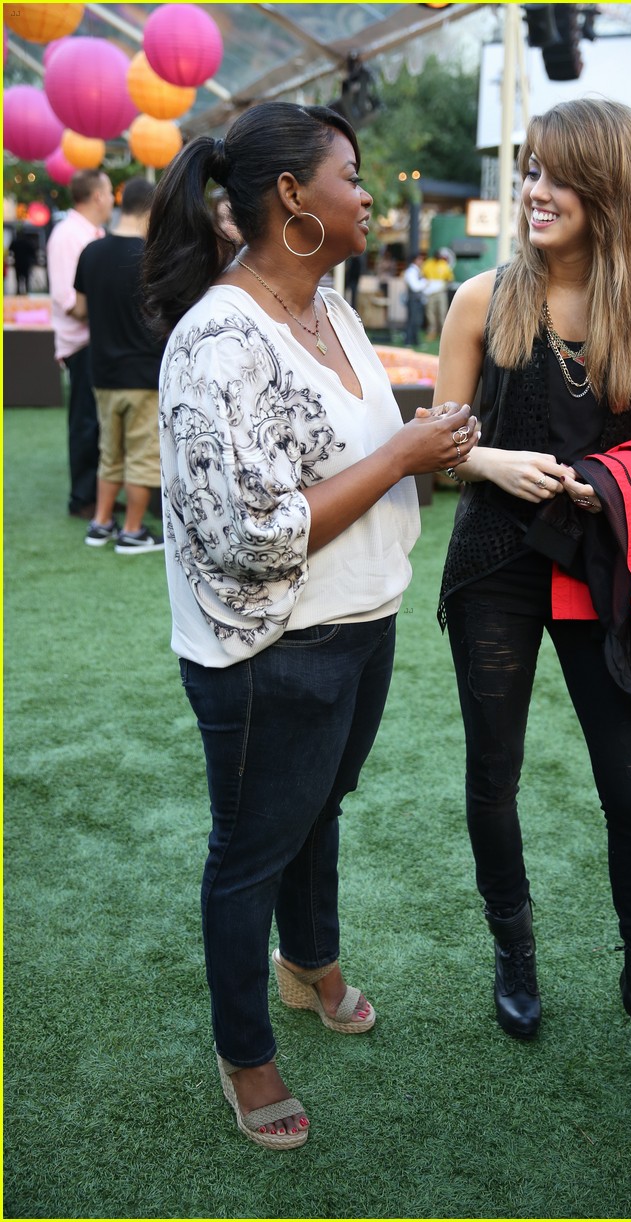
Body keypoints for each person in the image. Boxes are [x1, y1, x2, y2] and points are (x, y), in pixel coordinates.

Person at [142, 101, 477, 1150]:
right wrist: (402, 458)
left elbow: (350, 449)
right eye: (353, 173)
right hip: (268, 651)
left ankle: (309, 963)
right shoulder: (218, 340)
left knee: (318, 813)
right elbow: (249, 536)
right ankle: (245, 1051)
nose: (370, 193)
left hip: (361, 627)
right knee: (250, 851)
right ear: (294, 198)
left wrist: (425, 438)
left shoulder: (327, 305)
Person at [433, 99, 631, 1096]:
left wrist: (612, 481)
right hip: (496, 559)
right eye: (530, 171)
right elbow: (439, 445)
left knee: (630, 790)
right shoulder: (479, 299)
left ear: (606, 188)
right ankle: (515, 952)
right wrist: (498, 461)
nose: (535, 191)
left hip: (610, 566)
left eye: (556, 174)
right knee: (490, 772)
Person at [72, 177, 165, 554]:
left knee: (110, 454)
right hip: (143, 375)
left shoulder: (90, 252)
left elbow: (79, 309)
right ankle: (131, 531)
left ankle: (101, 523)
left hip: (103, 372)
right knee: (143, 456)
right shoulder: (151, 258)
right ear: (150, 211)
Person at [46, 168, 115, 518]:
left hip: (96, 339)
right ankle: (83, 498)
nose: (112, 198)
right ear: (98, 195)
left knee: (100, 422)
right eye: (109, 191)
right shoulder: (67, 235)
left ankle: (98, 494)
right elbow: (67, 300)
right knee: (86, 422)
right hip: (81, 344)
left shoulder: (90, 232)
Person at [421, 248, 454, 339]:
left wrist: (444, 286)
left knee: (442, 311)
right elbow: (423, 276)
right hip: (430, 292)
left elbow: (449, 278)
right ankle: (432, 331)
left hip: (440, 292)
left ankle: (443, 333)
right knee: (430, 312)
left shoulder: (444, 265)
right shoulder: (428, 263)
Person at [403, 251, 427, 345]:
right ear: (415, 260)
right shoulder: (411, 272)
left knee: (416, 321)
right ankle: (408, 342)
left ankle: (414, 341)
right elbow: (415, 287)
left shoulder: (416, 271)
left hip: (417, 299)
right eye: (420, 259)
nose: (421, 261)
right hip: (413, 299)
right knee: (412, 321)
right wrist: (424, 283)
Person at [9, 227, 37, 295]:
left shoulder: (16, 241)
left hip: (18, 261)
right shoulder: (28, 241)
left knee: (18, 277)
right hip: (26, 262)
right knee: (26, 277)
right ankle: (26, 290)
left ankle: (18, 291)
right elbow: (33, 252)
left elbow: (10, 250)